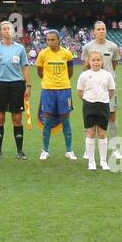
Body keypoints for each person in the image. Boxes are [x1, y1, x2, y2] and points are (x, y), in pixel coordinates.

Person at [0, 20, 31, 160]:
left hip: (17, 85)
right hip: (0, 86)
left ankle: (19, 150)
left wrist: (28, 85)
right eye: (4, 29)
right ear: (0, 31)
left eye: (9, 28)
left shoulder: (20, 48)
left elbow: (25, 67)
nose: (6, 31)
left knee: (17, 119)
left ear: (13, 31)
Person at [35, 29, 75, 160]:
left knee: (66, 120)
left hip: (64, 90)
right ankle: (45, 150)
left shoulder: (67, 54)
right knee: (47, 120)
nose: (50, 42)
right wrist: (49, 82)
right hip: (48, 90)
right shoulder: (42, 54)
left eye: (53, 39)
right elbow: (40, 72)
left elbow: (70, 72)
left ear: (59, 40)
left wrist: (61, 82)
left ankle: (69, 150)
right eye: (48, 40)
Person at [76, 49, 116, 170]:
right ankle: (91, 161)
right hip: (89, 105)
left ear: (102, 61)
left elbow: (111, 91)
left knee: (102, 133)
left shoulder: (107, 75)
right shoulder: (84, 75)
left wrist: (103, 99)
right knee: (90, 133)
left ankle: (103, 161)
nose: (96, 62)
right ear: (89, 61)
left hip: (103, 105)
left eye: (98, 60)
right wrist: (88, 100)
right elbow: (79, 91)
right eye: (93, 60)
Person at [86, 21, 122, 141]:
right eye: (99, 29)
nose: (101, 31)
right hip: (92, 88)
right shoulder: (88, 47)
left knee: (112, 116)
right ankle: (88, 149)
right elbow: (85, 66)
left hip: (109, 87)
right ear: (94, 31)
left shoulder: (113, 46)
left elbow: (114, 64)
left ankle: (115, 147)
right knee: (90, 117)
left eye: (103, 29)